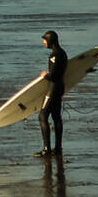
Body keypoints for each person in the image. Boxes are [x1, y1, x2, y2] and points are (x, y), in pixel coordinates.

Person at [37, 30, 67, 158]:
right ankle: (58, 148)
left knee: (42, 116)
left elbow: (53, 75)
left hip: (52, 89)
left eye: (45, 40)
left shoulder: (54, 55)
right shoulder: (63, 53)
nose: (43, 42)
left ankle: (46, 149)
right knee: (56, 117)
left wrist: (45, 76)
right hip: (60, 88)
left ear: (50, 41)